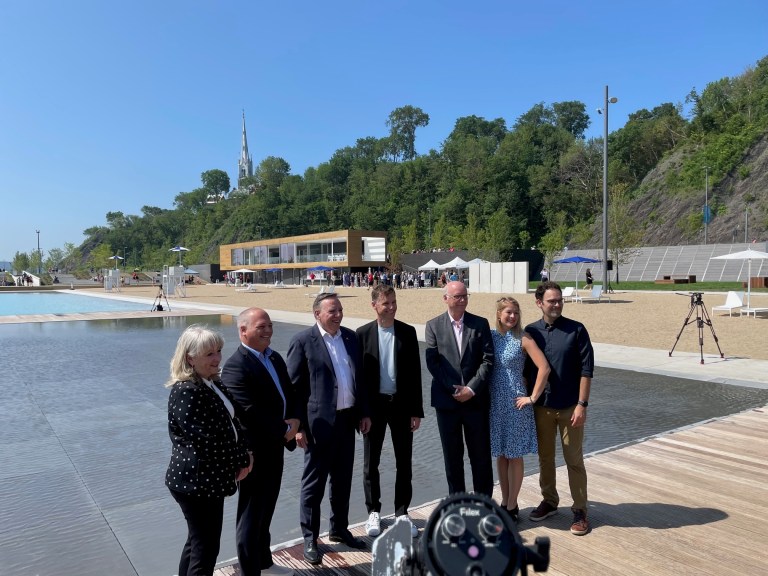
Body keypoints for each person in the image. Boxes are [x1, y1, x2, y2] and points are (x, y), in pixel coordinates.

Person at [286, 293, 371, 565]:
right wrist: (297, 426)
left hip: (347, 422)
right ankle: (310, 537)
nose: (338, 315)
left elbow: (359, 379)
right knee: (314, 484)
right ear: (317, 314)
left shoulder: (350, 338)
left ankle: (339, 528)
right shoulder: (302, 341)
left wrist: (364, 412)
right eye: (332, 311)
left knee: (343, 480)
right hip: (317, 426)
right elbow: (293, 389)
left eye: (340, 310)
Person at [165, 325, 253, 576]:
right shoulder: (186, 391)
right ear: (190, 358)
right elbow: (207, 442)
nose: (217, 359)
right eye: (209, 354)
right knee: (206, 549)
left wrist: (247, 451)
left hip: (207, 478)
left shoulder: (211, 383)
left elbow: (235, 422)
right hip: (195, 482)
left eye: (218, 351)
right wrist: (242, 458)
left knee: (197, 543)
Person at [220, 308, 300, 576]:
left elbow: (288, 393)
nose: (268, 331)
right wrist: (284, 429)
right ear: (243, 331)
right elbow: (249, 411)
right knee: (251, 516)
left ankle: (264, 563)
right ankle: (249, 570)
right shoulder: (235, 366)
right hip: (255, 452)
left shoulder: (274, 357)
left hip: (276, 447)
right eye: (261, 326)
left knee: (266, 511)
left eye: (270, 325)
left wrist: (296, 421)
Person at [525, 281, 594, 536]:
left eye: (559, 300)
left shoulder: (576, 330)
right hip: (542, 408)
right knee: (545, 459)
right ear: (539, 303)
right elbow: (525, 371)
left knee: (574, 459)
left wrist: (582, 405)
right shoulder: (530, 332)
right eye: (551, 301)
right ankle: (550, 501)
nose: (556, 304)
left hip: (569, 407)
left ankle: (580, 510)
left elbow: (587, 371)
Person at [356, 285, 424, 538]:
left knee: (404, 461)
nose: (392, 307)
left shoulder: (407, 332)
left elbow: (416, 374)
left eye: (394, 302)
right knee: (370, 462)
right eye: (386, 303)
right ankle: (373, 511)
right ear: (374, 305)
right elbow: (358, 380)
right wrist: (361, 412)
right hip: (373, 408)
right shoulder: (361, 335)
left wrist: (416, 410)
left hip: (402, 406)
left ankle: (402, 512)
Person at [425, 280, 494, 497]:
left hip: (476, 402)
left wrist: (471, 389)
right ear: (446, 298)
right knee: (452, 458)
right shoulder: (433, 325)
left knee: (480, 456)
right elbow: (433, 363)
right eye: (457, 296)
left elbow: (488, 360)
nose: (462, 300)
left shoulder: (480, 324)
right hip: (447, 403)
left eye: (465, 296)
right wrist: (455, 390)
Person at [490, 297, 550, 522]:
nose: (512, 317)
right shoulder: (492, 336)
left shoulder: (523, 338)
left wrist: (532, 397)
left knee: (514, 455)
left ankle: (513, 505)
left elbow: (544, 368)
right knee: (502, 454)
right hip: (496, 403)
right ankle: (505, 501)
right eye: (508, 312)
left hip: (516, 403)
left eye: (515, 313)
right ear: (499, 314)